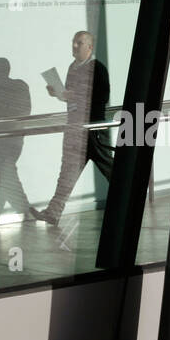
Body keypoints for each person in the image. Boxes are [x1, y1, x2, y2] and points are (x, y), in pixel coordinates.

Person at [31, 30, 114, 225]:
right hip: (75, 129)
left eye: (79, 43)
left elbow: (102, 97)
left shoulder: (97, 69)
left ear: (90, 47)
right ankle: (53, 212)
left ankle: (131, 200)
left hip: (92, 130)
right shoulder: (72, 67)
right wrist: (58, 93)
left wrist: (73, 95)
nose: (74, 46)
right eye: (73, 42)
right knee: (67, 173)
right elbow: (71, 96)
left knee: (109, 168)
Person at [0, 57, 32, 227]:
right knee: (2, 178)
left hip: (9, 141)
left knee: (5, 177)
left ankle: (25, 212)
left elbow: (19, 112)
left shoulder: (17, 88)